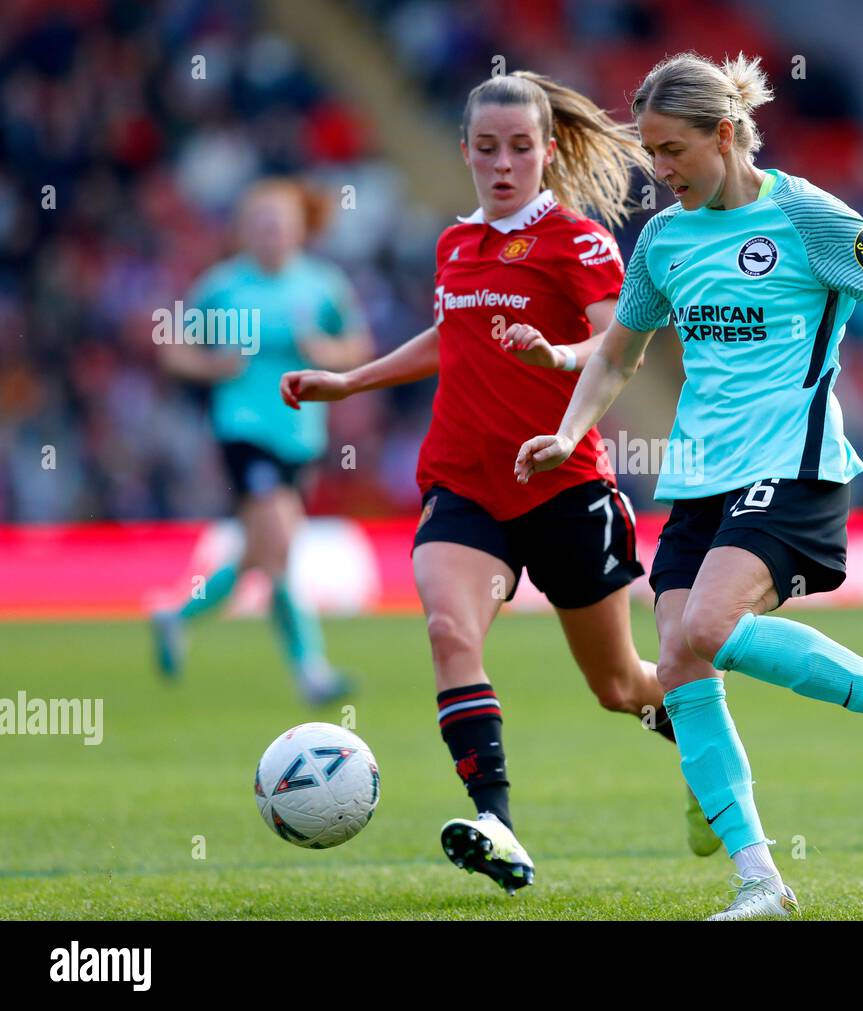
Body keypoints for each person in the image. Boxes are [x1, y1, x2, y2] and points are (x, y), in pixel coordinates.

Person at [516, 52, 863, 919]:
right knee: (677, 664)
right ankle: (761, 882)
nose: (659, 172)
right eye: (650, 154)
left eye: (671, 151)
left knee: (709, 627)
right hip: (700, 477)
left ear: (724, 133)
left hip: (794, 466)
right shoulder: (667, 241)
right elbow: (619, 350)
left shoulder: (808, 216)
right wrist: (567, 433)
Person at [280, 71, 722, 896]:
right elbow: (453, 337)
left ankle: (712, 752)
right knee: (450, 629)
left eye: (521, 147)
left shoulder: (579, 242)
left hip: (563, 485)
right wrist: (351, 383)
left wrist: (554, 358)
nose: (504, 163)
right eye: (488, 149)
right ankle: (499, 826)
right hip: (465, 484)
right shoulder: (457, 243)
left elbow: (614, 346)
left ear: (548, 151)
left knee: (620, 685)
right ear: (466, 153)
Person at [152, 179, 372, 705]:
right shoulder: (223, 287)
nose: (271, 233)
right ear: (245, 231)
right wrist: (213, 366)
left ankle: (176, 615)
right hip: (244, 430)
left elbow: (358, 348)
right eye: (261, 224)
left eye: (280, 223)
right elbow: (172, 348)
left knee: (260, 552)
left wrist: (324, 350)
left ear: (298, 229)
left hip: (301, 433)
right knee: (278, 550)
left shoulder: (322, 285)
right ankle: (311, 670)